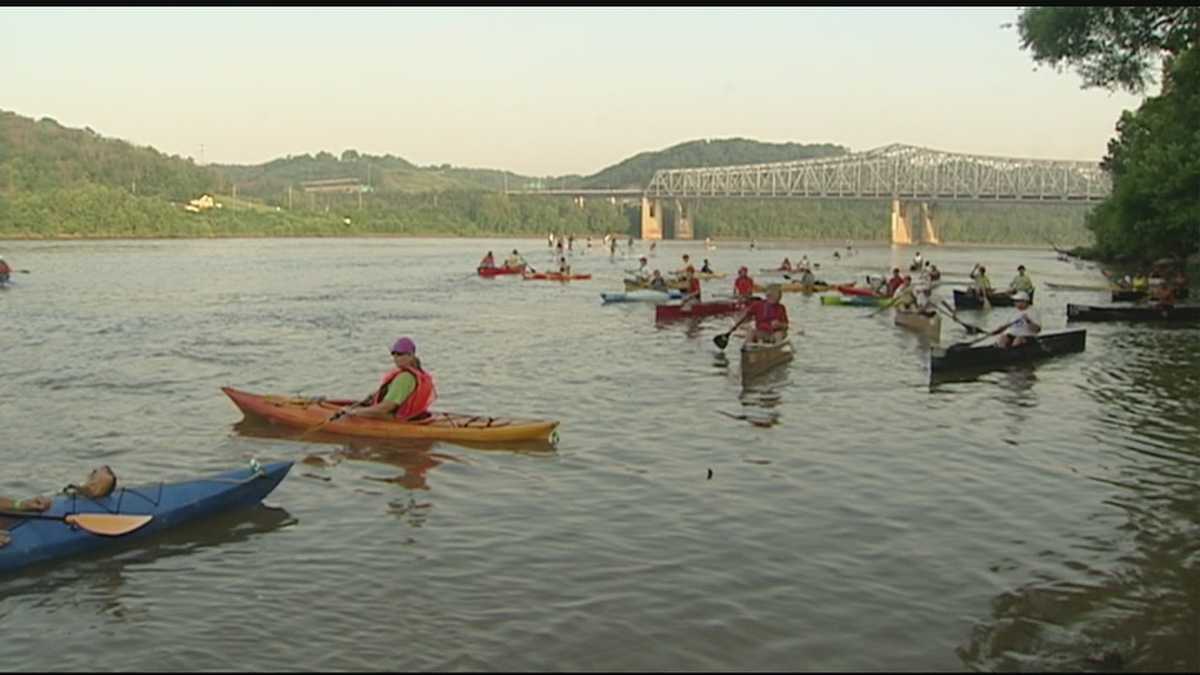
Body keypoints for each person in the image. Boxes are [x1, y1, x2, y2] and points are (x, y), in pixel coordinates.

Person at [341, 337, 437, 421]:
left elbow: (385, 408)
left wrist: (354, 412)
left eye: (400, 354)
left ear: (410, 355)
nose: (395, 357)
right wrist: (374, 397)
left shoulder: (405, 378)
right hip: (410, 417)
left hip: (395, 420)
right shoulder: (416, 373)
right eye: (393, 353)